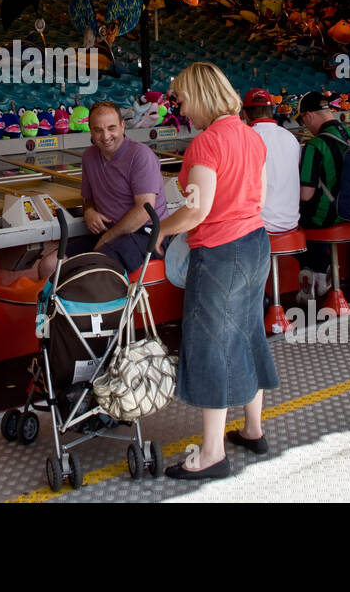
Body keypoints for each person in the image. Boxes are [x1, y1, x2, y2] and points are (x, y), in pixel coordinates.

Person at [156, 62, 276, 480]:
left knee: (211, 343)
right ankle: (254, 430)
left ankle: (212, 453)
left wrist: (162, 230)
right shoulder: (252, 137)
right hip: (256, 244)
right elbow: (258, 194)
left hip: (221, 253)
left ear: (202, 96)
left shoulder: (206, 144)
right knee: (247, 333)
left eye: (184, 100)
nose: (183, 110)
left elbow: (196, 210)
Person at [81, 101, 169, 272]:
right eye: (98, 130)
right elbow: (88, 199)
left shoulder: (140, 155)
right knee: (50, 264)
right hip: (111, 232)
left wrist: (107, 238)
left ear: (122, 126)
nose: (105, 136)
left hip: (147, 233)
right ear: (90, 130)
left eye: (111, 128)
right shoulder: (89, 157)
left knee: (97, 267)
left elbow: (144, 211)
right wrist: (89, 211)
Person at [296, 92, 350, 302]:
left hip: (327, 218)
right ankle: (320, 275)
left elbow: (306, 195)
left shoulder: (315, 146)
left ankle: (321, 267)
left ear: (308, 115)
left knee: (288, 224)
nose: (305, 127)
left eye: (302, 120)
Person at [242, 89, 300, 235]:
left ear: (244, 113)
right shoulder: (290, 137)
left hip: (260, 230)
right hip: (292, 224)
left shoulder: (245, 138)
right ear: (271, 110)